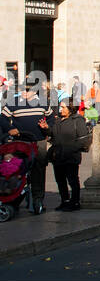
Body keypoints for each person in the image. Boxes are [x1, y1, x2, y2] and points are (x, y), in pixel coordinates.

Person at [1, 83, 53, 212]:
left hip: (38, 141)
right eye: (23, 90)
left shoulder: (43, 103)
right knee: (17, 171)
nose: (24, 92)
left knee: (38, 171)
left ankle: (38, 199)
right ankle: (14, 199)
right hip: (20, 142)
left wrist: (47, 127)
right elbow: (2, 118)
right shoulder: (14, 102)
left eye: (27, 90)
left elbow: (51, 117)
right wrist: (11, 128)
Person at [47, 98, 92, 212]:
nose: (60, 109)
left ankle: (75, 201)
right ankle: (65, 200)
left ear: (70, 108)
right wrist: (46, 129)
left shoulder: (78, 120)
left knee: (72, 180)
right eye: (60, 107)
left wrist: (69, 149)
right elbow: (53, 134)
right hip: (57, 155)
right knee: (60, 180)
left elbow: (83, 140)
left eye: (63, 107)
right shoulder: (58, 121)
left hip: (70, 155)